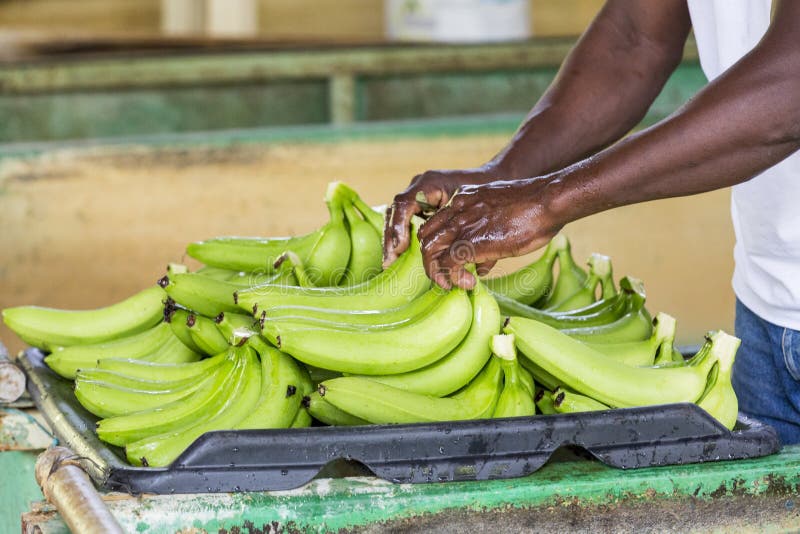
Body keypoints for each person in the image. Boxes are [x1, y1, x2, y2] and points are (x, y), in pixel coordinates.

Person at [381, 0, 800, 444]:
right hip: (765, 309)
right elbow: (635, 38)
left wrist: (548, 201)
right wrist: (505, 174)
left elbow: (790, 87)